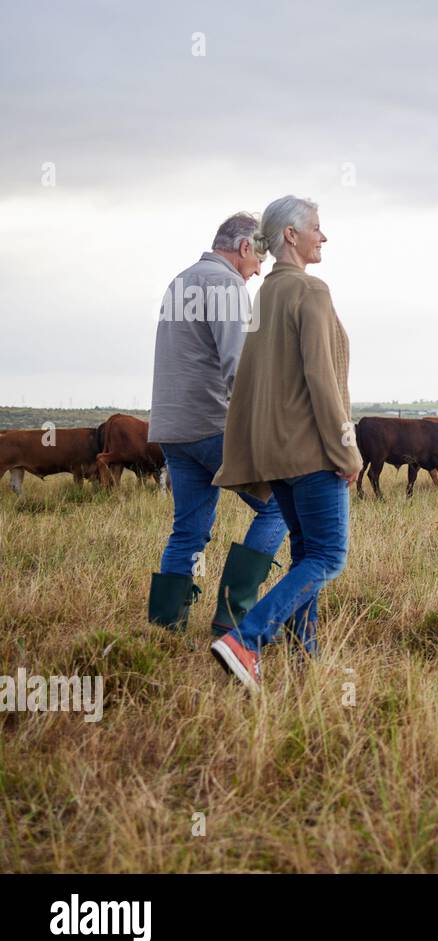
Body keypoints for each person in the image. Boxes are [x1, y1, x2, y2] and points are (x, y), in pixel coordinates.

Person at [210, 196, 362, 691]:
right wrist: (346, 451)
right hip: (313, 452)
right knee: (328, 557)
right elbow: (321, 379)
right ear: (291, 236)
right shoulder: (310, 291)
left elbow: (256, 380)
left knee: (304, 556)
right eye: (317, 228)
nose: (324, 237)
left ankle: (306, 659)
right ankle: (246, 638)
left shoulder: (267, 293)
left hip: (277, 455)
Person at [146, 213, 288, 634]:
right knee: (283, 505)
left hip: (172, 429)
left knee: (188, 529)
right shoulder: (225, 284)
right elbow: (237, 365)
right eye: (259, 259)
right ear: (245, 248)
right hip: (213, 425)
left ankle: (165, 626)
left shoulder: (181, 281)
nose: (259, 270)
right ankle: (234, 616)